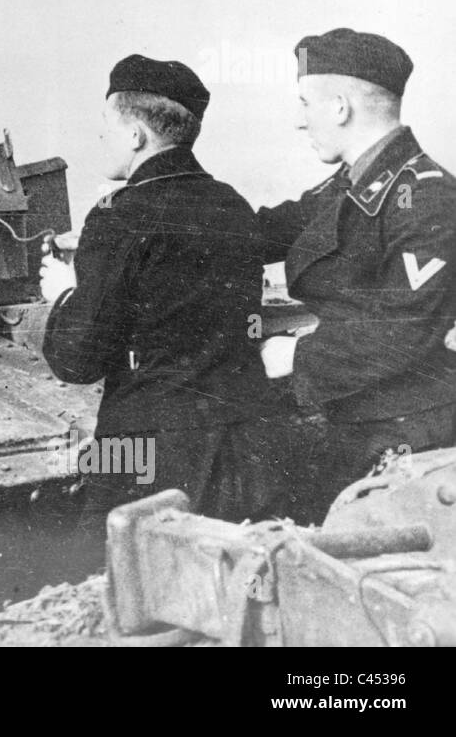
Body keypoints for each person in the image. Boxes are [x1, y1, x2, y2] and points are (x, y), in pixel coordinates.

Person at [39, 54, 279, 524]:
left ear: (135, 135)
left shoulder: (118, 215)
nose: (102, 136)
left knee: (113, 571)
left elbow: (77, 360)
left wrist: (67, 292)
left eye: (107, 124)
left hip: (144, 440)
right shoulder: (232, 203)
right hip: (242, 439)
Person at [255, 27, 456, 521]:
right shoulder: (356, 183)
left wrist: (293, 354)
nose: (300, 122)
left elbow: (402, 329)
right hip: (361, 422)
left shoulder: (423, 194)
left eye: (306, 104)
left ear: (340, 107)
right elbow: (265, 230)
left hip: (411, 438)